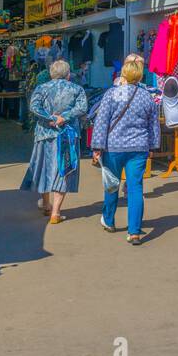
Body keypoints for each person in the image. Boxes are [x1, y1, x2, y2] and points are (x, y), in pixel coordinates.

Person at [90, 54, 160, 244]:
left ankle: (109, 220)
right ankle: (134, 231)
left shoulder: (111, 94)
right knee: (135, 188)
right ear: (140, 75)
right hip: (138, 147)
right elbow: (153, 125)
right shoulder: (147, 97)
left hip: (113, 147)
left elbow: (101, 122)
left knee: (111, 184)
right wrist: (152, 146)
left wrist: (97, 147)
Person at [21, 60, 88, 223]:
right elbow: (82, 108)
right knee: (64, 170)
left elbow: (34, 107)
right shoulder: (77, 89)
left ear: (51, 74)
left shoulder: (41, 88)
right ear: (68, 74)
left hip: (45, 134)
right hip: (68, 134)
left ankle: (46, 204)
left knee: (44, 168)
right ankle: (56, 212)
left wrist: (50, 118)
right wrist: (64, 117)